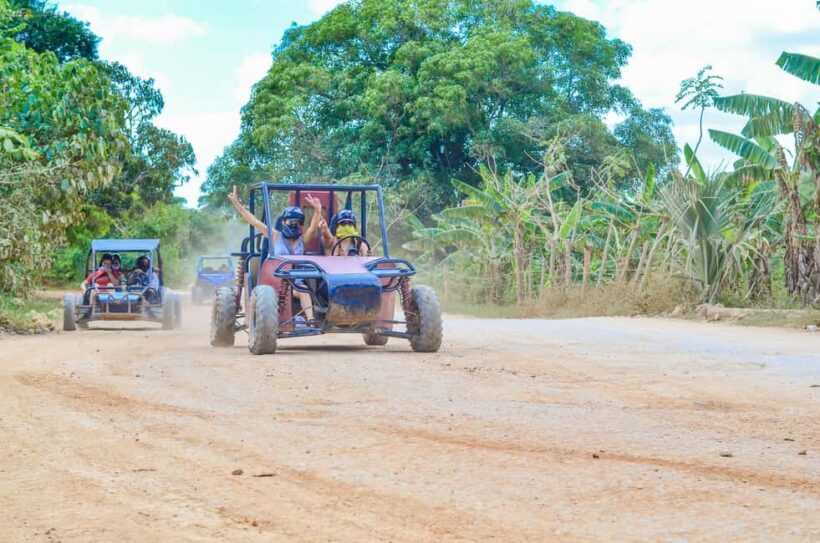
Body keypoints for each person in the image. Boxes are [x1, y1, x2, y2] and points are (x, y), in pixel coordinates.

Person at [228, 185, 325, 321]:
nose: (293, 225)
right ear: (284, 222)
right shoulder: (275, 236)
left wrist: (318, 211)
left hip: (295, 283)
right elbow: (254, 221)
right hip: (274, 282)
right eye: (290, 221)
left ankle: (310, 320)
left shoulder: (302, 240)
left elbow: (314, 227)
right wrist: (236, 203)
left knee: (303, 290)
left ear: (302, 225)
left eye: (297, 223)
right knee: (269, 295)